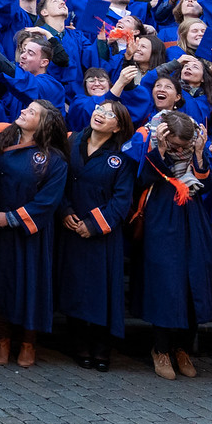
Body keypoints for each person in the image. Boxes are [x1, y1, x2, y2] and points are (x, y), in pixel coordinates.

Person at [135, 109, 212, 380]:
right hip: (162, 213)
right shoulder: (147, 140)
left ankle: (181, 347)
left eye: (185, 145)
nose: (180, 150)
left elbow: (207, 185)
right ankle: (160, 349)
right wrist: (161, 151)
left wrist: (199, 154)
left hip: (192, 216)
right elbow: (142, 180)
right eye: (175, 145)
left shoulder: (196, 144)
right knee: (166, 283)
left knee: (195, 279)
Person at [0, 100, 69, 367]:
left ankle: (28, 343)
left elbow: (48, 201)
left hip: (31, 234)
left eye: (32, 112)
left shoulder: (54, 159)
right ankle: (2, 341)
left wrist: (9, 218)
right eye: (25, 108)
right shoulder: (1, 141)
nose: (23, 112)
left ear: (44, 123)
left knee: (31, 287)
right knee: (0, 284)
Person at [56, 97, 136, 370]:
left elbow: (122, 199)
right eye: (99, 109)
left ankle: (102, 347)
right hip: (70, 226)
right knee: (74, 285)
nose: (100, 114)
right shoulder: (71, 141)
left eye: (109, 114)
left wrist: (93, 225)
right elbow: (58, 180)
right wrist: (64, 210)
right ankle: (78, 343)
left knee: (101, 291)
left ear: (118, 127)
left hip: (102, 233)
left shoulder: (123, 155)